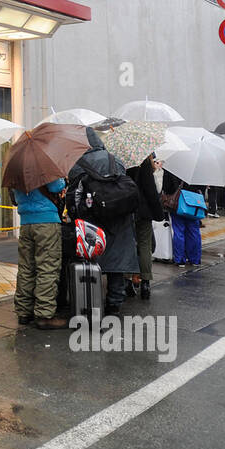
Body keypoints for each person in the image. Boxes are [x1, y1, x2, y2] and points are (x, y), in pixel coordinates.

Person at [68, 128, 139, 316]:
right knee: (117, 262)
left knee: (92, 260)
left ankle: (92, 301)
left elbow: (74, 197)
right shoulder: (114, 159)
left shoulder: (78, 164)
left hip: (93, 220)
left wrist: (76, 217)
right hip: (120, 218)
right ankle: (115, 303)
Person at [13, 171, 68, 325]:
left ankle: (24, 311)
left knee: (26, 268)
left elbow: (15, 197)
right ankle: (44, 314)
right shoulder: (43, 165)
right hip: (46, 222)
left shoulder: (17, 168)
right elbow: (57, 186)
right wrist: (62, 179)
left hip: (25, 223)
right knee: (48, 266)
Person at [128, 155, 165, 302]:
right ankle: (145, 283)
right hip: (143, 210)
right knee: (145, 245)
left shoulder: (118, 160)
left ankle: (127, 281)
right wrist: (158, 213)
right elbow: (150, 190)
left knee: (128, 244)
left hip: (125, 209)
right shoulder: (143, 161)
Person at [162, 167, 203, 270]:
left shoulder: (172, 167)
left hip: (178, 204)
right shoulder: (197, 166)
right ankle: (195, 259)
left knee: (179, 231)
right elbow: (201, 187)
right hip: (194, 204)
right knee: (194, 232)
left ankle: (180, 260)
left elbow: (166, 187)